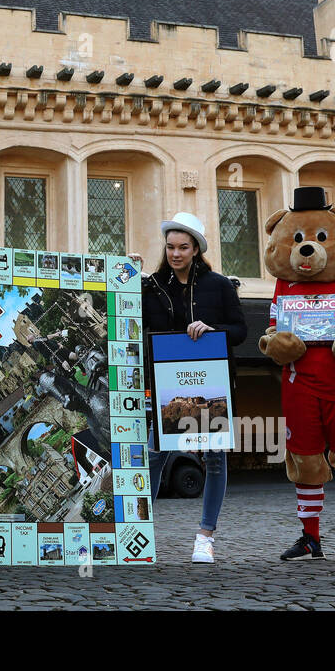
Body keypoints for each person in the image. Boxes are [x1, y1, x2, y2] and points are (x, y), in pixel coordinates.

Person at [132, 211, 247, 564]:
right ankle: (138, 532)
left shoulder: (220, 285)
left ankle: (205, 537)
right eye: (170, 247)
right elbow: (129, 321)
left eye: (183, 247)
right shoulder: (151, 287)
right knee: (154, 456)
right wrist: (125, 280)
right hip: (168, 386)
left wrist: (213, 329)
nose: (175, 254)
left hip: (209, 385)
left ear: (196, 248)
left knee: (214, 459)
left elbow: (241, 331)